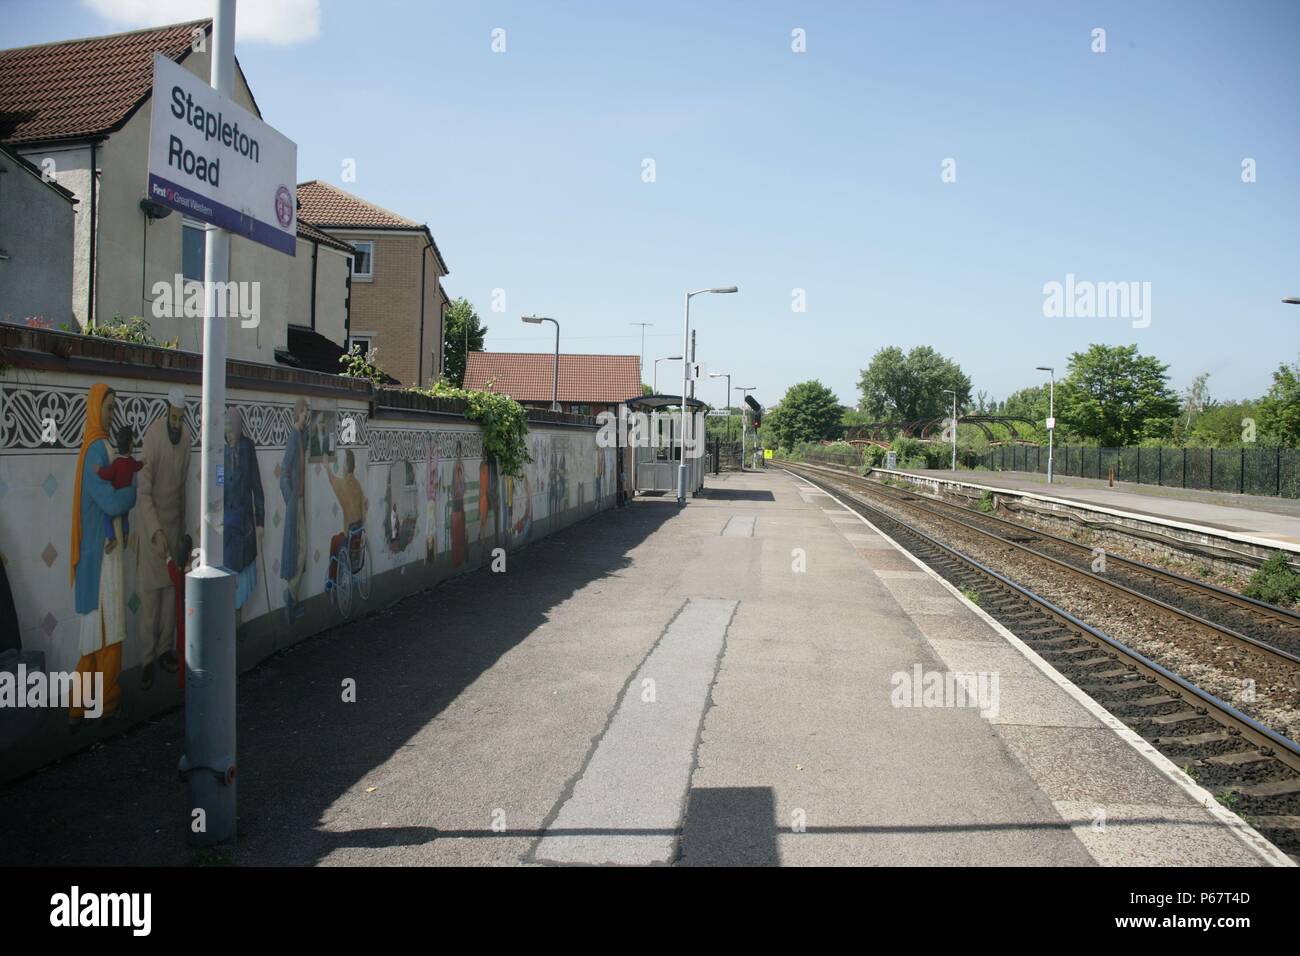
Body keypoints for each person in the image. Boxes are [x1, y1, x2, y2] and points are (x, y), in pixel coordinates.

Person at [70, 384, 135, 727]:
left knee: (99, 629)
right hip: (99, 558)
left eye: (113, 409)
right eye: (108, 409)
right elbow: (111, 502)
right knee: (105, 630)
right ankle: (100, 702)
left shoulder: (97, 448)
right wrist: (132, 494)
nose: (112, 415)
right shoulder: (96, 450)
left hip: (101, 553)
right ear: (96, 409)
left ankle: (89, 704)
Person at [134, 387, 190, 689]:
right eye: (173, 417)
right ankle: (146, 660)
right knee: (150, 599)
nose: (177, 423)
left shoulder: (187, 440)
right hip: (151, 530)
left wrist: (182, 533)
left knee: (171, 596)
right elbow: (143, 491)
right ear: (166, 412)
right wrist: (154, 531)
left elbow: (183, 492)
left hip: (174, 529)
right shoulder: (152, 437)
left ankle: (166, 650)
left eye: (181, 418)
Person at [223, 407, 264, 624]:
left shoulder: (248, 448)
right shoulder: (221, 451)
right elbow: (217, 486)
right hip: (227, 527)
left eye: (231, 429)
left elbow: (257, 486)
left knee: (243, 578)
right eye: (226, 429)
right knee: (229, 579)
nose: (229, 434)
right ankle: (232, 626)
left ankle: (237, 624)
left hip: (245, 524)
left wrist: (261, 522)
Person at [278, 398, 309, 624]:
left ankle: (292, 598)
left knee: (302, 550)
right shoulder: (292, 438)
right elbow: (284, 473)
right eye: (305, 411)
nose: (307, 415)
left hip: (299, 500)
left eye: (307, 411)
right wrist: (290, 500)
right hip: (294, 502)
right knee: (300, 549)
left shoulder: (300, 436)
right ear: (297, 413)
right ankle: (290, 596)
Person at [96, 425, 142, 553]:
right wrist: (144, 462)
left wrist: (98, 470)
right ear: (129, 445)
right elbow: (138, 466)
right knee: (125, 517)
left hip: (118, 498)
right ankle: (126, 534)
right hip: (128, 499)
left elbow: (107, 475)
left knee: (107, 516)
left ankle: (112, 539)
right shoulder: (132, 461)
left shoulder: (116, 463)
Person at [327, 449, 367, 583]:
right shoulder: (358, 486)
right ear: (354, 467)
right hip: (358, 534)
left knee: (335, 540)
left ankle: (333, 579)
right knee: (340, 537)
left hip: (349, 538)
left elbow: (332, 479)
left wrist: (326, 465)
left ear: (345, 466)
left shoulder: (343, 484)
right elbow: (364, 508)